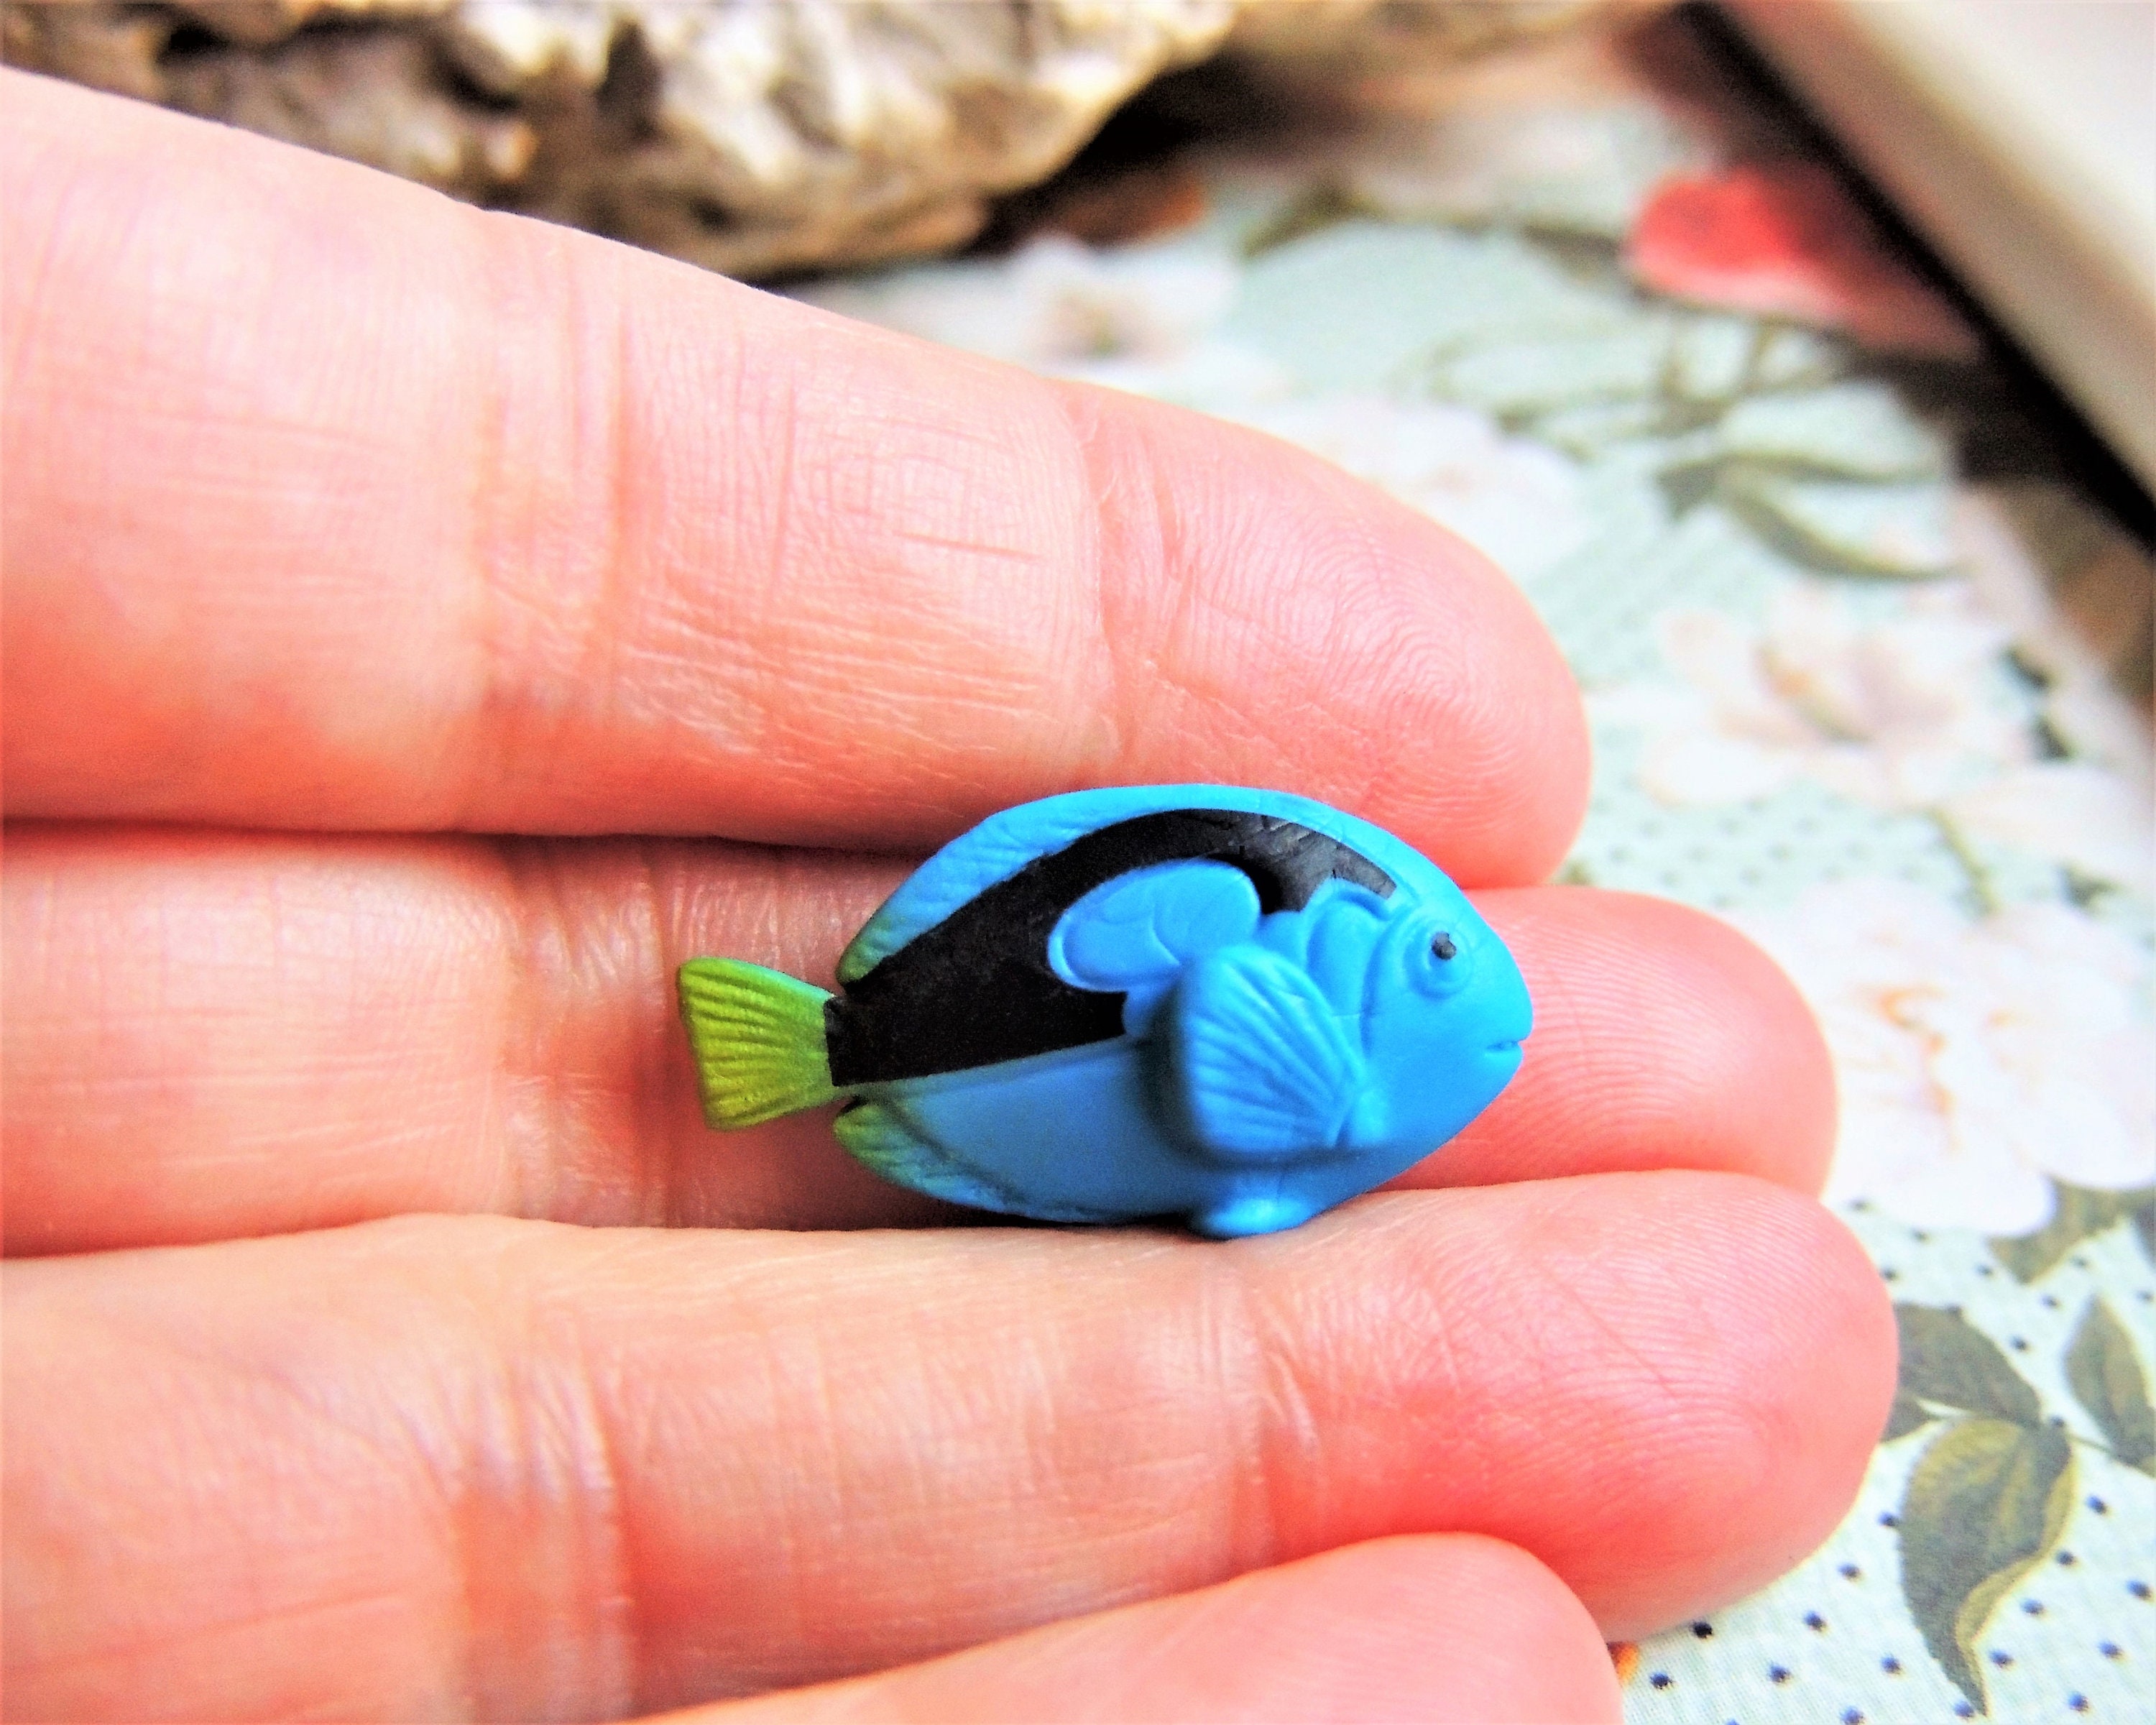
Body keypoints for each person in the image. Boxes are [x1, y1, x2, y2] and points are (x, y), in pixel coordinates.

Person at [0, 68, 1894, 1724]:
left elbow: (1209, 1069)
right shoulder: (1303, 985)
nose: (1463, 985)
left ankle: (843, 1045)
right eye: (1418, 953)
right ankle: (834, 1043)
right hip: (958, 1057)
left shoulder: (1316, 957)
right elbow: (1180, 1022)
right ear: (1343, 960)